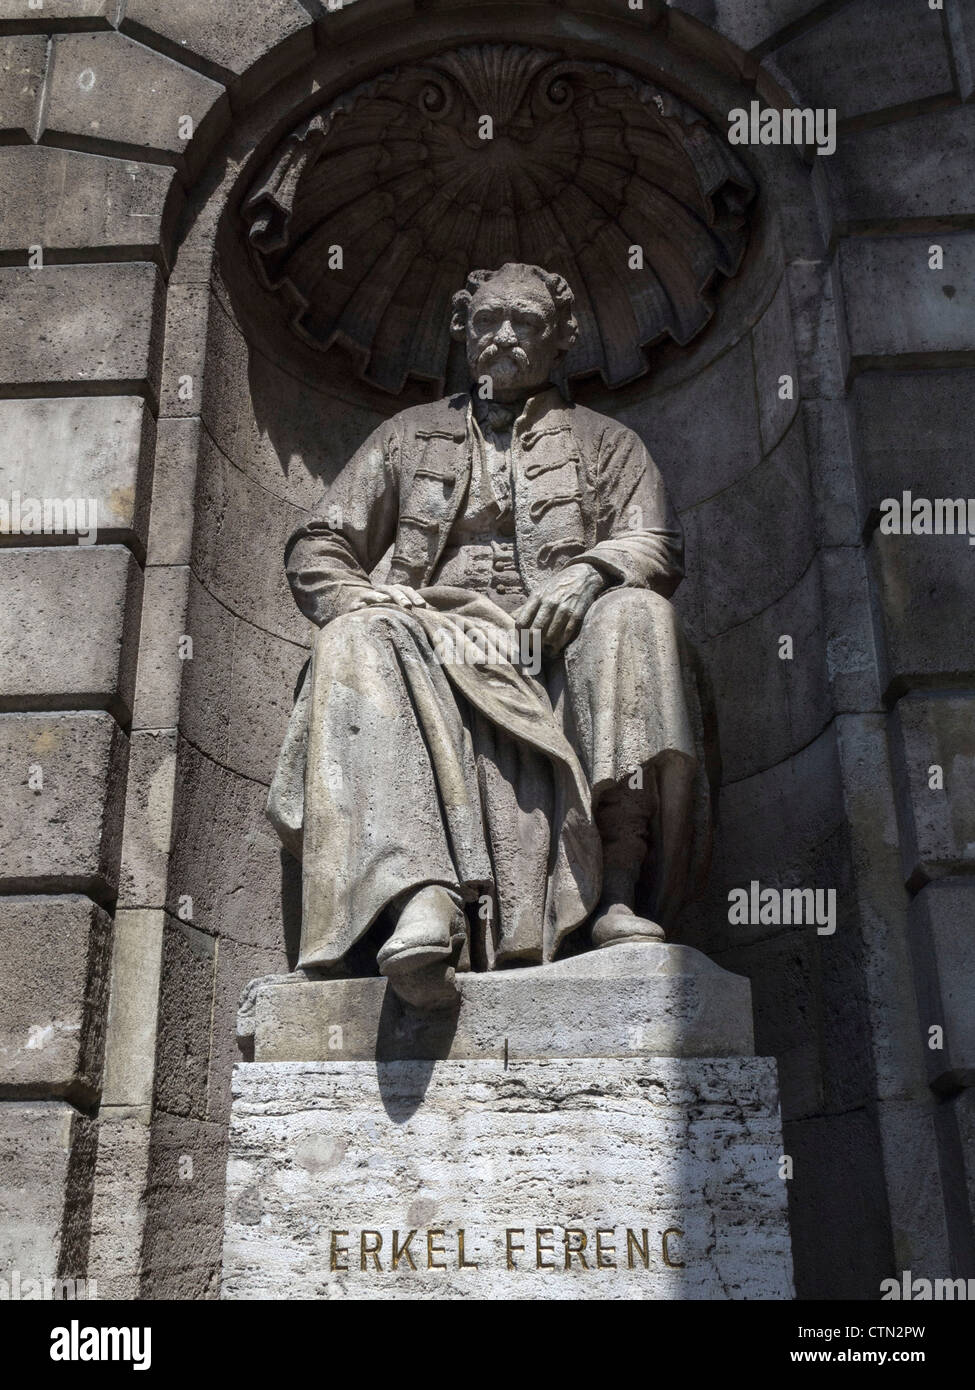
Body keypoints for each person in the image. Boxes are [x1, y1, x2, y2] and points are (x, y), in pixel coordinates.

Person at [268, 263, 711, 1005]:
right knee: (354, 637)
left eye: (526, 322)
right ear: (462, 330)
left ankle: (614, 896)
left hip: (560, 645)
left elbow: (656, 544)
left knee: (637, 616)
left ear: (560, 338)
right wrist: (365, 594)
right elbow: (319, 546)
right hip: (434, 639)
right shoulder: (404, 437)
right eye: (487, 320)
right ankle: (421, 898)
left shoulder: (609, 444)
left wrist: (594, 569)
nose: (503, 335)